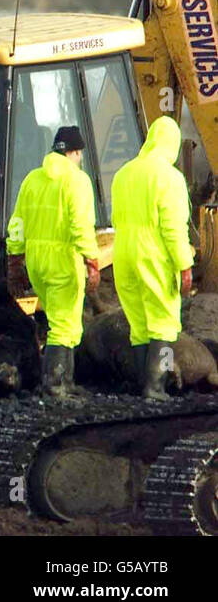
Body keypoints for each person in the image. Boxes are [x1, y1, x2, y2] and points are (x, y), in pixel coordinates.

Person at [5, 125, 99, 398]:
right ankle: (55, 384)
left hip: (37, 264)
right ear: (74, 152)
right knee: (64, 323)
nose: (80, 159)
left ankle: (66, 382)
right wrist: (91, 261)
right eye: (79, 154)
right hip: (63, 262)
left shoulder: (32, 179)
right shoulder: (77, 181)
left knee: (58, 318)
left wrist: (15, 259)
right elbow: (82, 226)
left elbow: (18, 223)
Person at [110, 116, 194, 400]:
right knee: (165, 321)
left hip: (122, 251)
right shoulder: (170, 178)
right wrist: (184, 264)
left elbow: (115, 218)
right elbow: (173, 228)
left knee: (139, 323)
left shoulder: (123, 173)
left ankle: (141, 384)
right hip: (154, 252)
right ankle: (157, 386)